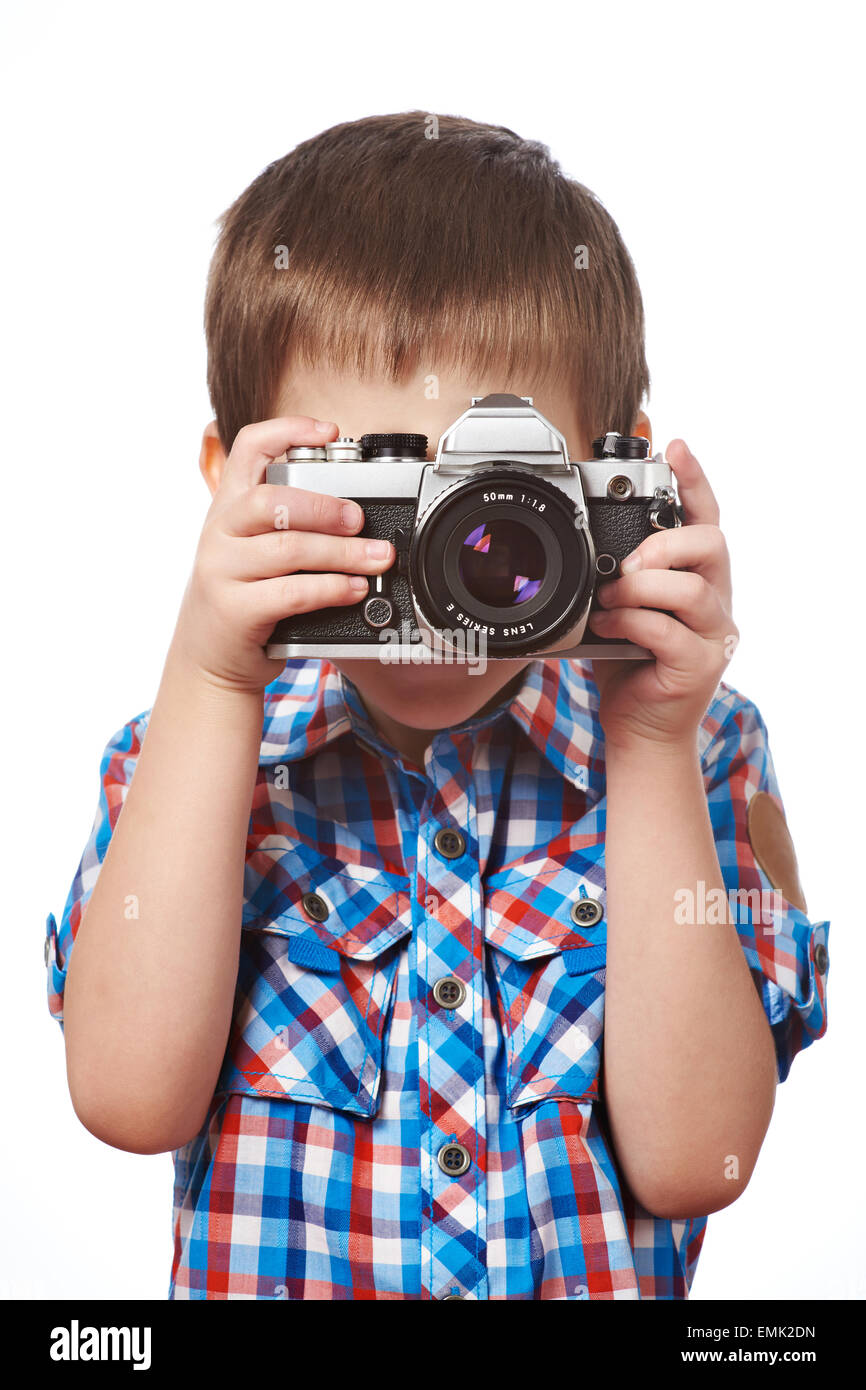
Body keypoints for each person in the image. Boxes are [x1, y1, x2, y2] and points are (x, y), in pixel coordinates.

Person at [45, 112, 829, 1299]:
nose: (449, 563)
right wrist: (214, 678)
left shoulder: (701, 747)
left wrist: (653, 739)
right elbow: (124, 1098)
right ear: (235, 486)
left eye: (499, 503)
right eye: (381, 496)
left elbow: (694, 1162)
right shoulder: (185, 759)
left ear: (610, 485)